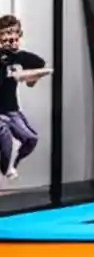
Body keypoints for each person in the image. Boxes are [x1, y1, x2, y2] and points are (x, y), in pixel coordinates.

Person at [0, 15, 52, 181]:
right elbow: (15, 76)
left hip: (11, 109)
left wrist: (34, 78)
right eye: (6, 33)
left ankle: (13, 164)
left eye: (14, 32)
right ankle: (6, 168)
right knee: (5, 134)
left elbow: (36, 68)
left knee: (31, 138)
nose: (11, 37)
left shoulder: (21, 57)